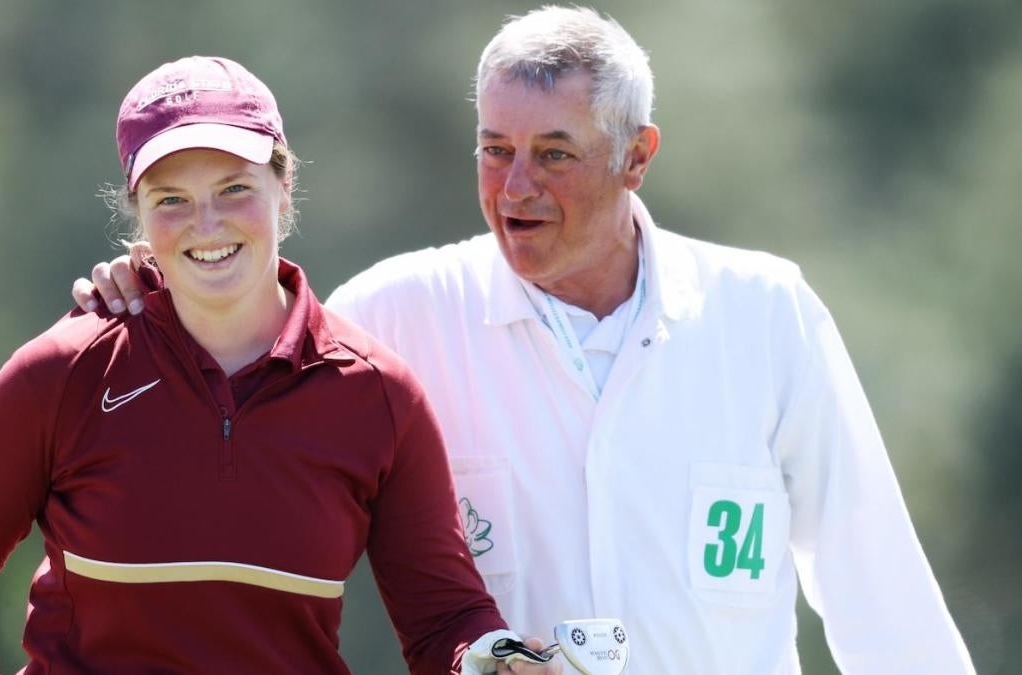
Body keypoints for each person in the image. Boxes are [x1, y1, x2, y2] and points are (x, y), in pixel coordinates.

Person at [72, 8, 976, 674]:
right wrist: (149, 283)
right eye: (493, 148)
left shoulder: (765, 312)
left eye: (554, 153)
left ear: (638, 155)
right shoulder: (399, 311)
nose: (514, 186)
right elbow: (233, 361)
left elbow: (880, 596)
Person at [0, 55, 561, 675]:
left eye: (234, 188)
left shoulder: (378, 394)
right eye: (171, 199)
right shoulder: (66, 372)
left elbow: (443, 618)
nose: (206, 224)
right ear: (139, 217)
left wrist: (492, 660)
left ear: (284, 187)